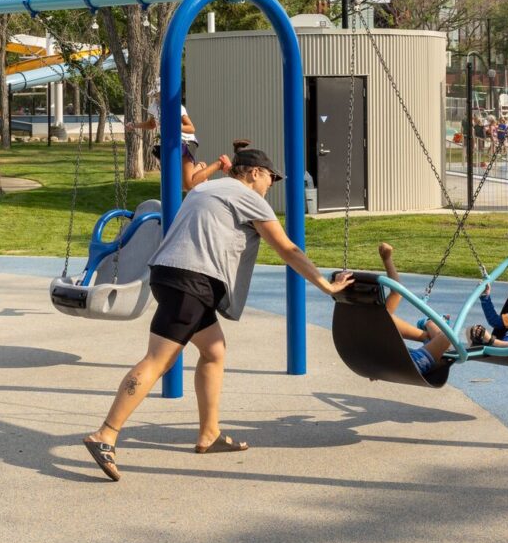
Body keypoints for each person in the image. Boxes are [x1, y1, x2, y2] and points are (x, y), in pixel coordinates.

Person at [80, 146, 352, 481]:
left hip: (168, 274)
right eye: (270, 177)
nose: (271, 184)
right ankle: (105, 434)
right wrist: (326, 285)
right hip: (192, 279)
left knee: (213, 350)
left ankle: (209, 434)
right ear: (253, 172)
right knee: (157, 360)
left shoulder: (205, 188)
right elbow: (287, 248)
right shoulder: (248, 196)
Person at [128, 78, 227, 192]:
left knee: (188, 185)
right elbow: (151, 124)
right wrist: (134, 126)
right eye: (157, 94)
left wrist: (176, 126)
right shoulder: (155, 107)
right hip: (170, 143)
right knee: (181, 183)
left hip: (185, 142)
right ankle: (200, 167)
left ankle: (219, 163)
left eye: (161, 94)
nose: (159, 97)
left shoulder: (177, 108)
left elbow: (191, 128)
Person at [376, 242, 455, 379]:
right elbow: (397, 292)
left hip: (394, 362)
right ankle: (430, 324)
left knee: (385, 320)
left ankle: (429, 328)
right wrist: (387, 259)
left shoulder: (354, 322)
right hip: (411, 364)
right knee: (448, 338)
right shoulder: (374, 320)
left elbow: (396, 292)